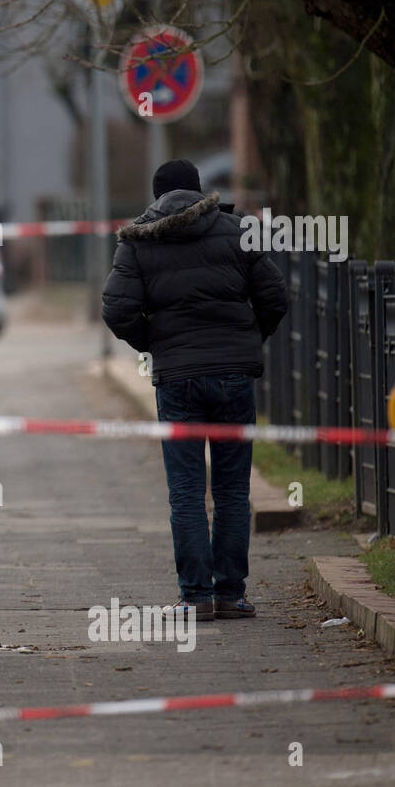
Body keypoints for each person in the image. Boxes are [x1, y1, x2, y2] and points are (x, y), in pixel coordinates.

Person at [101, 159, 287, 622]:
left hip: (178, 380)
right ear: (199, 190)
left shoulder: (138, 241)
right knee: (231, 488)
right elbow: (276, 296)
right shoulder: (237, 228)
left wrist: (156, 345)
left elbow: (116, 310)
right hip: (233, 377)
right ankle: (232, 594)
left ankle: (195, 598)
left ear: (156, 196)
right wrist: (248, 340)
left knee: (185, 492)